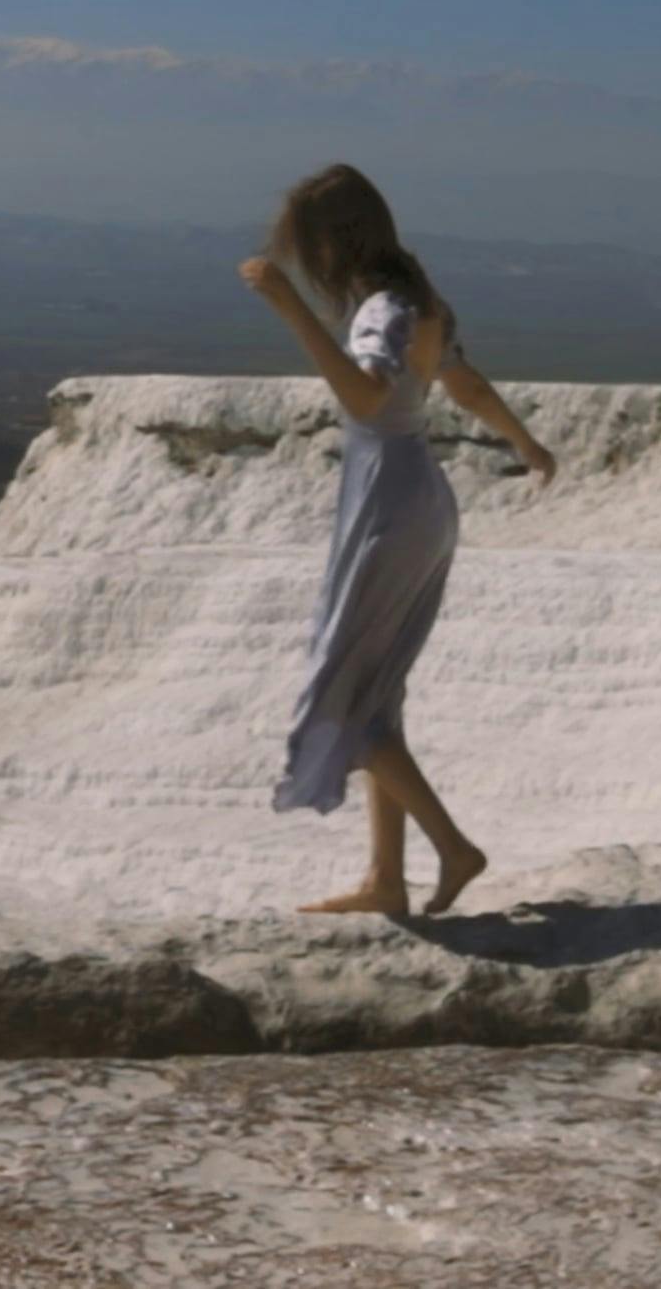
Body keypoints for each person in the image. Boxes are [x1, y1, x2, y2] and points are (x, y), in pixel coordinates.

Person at [239, 163, 557, 917]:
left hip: (386, 496)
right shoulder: (421, 300)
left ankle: (453, 847)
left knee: (344, 696)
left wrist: (289, 309)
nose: (306, 263)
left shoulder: (381, 309)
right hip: (422, 494)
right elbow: (465, 383)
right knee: (379, 695)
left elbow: (367, 396)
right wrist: (527, 444)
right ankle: (386, 880)